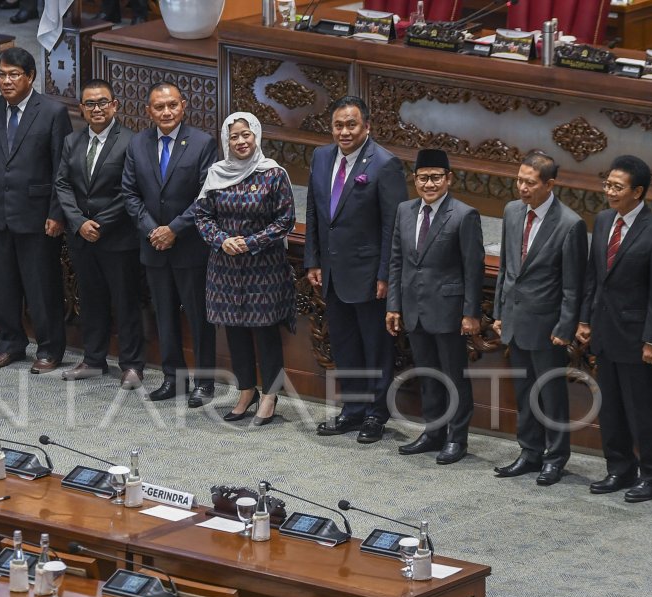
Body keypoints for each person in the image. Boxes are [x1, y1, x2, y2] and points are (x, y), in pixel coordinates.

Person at [305, 96, 407, 445]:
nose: (344, 131)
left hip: (369, 275)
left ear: (367, 126)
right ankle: (352, 409)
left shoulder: (385, 164)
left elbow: (393, 227)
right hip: (332, 272)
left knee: (374, 348)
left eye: (351, 125)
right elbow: (316, 212)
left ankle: (376, 414)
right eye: (338, 125)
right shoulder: (321, 157)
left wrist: (385, 275)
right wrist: (313, 260)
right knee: (345, 345)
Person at [575, 155, 652, 502]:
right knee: (612, 407)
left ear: (638, 192)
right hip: (605, 331)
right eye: (608, 185)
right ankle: (619, 468)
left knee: (642, 409)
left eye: (617, 187)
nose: (609, 192)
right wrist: (585, 319)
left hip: (637, 338)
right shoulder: (604, 221)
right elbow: (594, 276)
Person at [0, 47, 73, 372]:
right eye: (1, 74)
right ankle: (10, 344)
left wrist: (57, 213)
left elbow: (62, 168)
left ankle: (50, 349)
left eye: (14, 74)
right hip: (0, 212)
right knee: (3, 287)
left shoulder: (52, 112)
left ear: (30, 77)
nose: (6, 81)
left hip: (38, 216)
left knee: (41, 287)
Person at [491, 151, 587, 486]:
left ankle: (555, 457)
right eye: (519, 180)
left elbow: (574, 284)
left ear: (549, 184)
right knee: (524, 392)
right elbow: (506, 268)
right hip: (516, 321)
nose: (522, 188)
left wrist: (566, 327)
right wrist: (499, 313)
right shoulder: (512, 211)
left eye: (530, 183)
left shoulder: (570, 224)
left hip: (548, 327)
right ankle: (529, 452)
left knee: (551, 395)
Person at [194, 111, 296, 425]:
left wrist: (250, 242)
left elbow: (285, 220)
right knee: (235, 331)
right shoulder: (216, 173)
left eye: (246, 135)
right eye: (234, 136)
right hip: (225, 266)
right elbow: (202, 216)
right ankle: (246, 390)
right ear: (226, 140)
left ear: (257, 136)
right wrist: (222, 240)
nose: (240, 141)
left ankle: (270, 396)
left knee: (266, 333)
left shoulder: (273, 173)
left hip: (263, 266)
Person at [121, 82, 217, 407]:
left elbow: (207, 196)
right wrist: (153, 230)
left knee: (198, 317)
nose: (166, 112)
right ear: (149, 110)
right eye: (159, 107)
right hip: (154, 247)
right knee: (164, 315)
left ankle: (204, 382)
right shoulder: (137, 143)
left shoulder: (203, 143)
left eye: (172, 105)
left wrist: (174, 229)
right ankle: (172, 378)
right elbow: (130, 194)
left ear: (183, 105)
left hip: (189, 247)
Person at [385, 149, 483, 465]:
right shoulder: (404, 210)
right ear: (415, 179)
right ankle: (433, 432)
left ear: (448, 179)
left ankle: (457, 438)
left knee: (453, 375)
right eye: (423, 177)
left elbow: (473, 268)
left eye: (436, 177)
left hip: (449, 310)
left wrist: (471, 313)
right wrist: (394, 306)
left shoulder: (463, 214)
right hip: (414, 307)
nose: (429, 183)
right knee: (427, 373)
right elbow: (397, 261)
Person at [54, 80, 145, 389]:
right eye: (90, 104)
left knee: (125, 301)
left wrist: (100, 224)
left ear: (115, 105)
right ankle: (94, 360)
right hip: (81, 236)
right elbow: (63, 184)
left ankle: (132, 365)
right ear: (81, 108)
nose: (96, 109)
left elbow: (130, 190)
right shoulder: (72, 141)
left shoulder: (131, 141)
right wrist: (79, 222)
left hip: (118, 237)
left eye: (102, 102)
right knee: (90, 300)